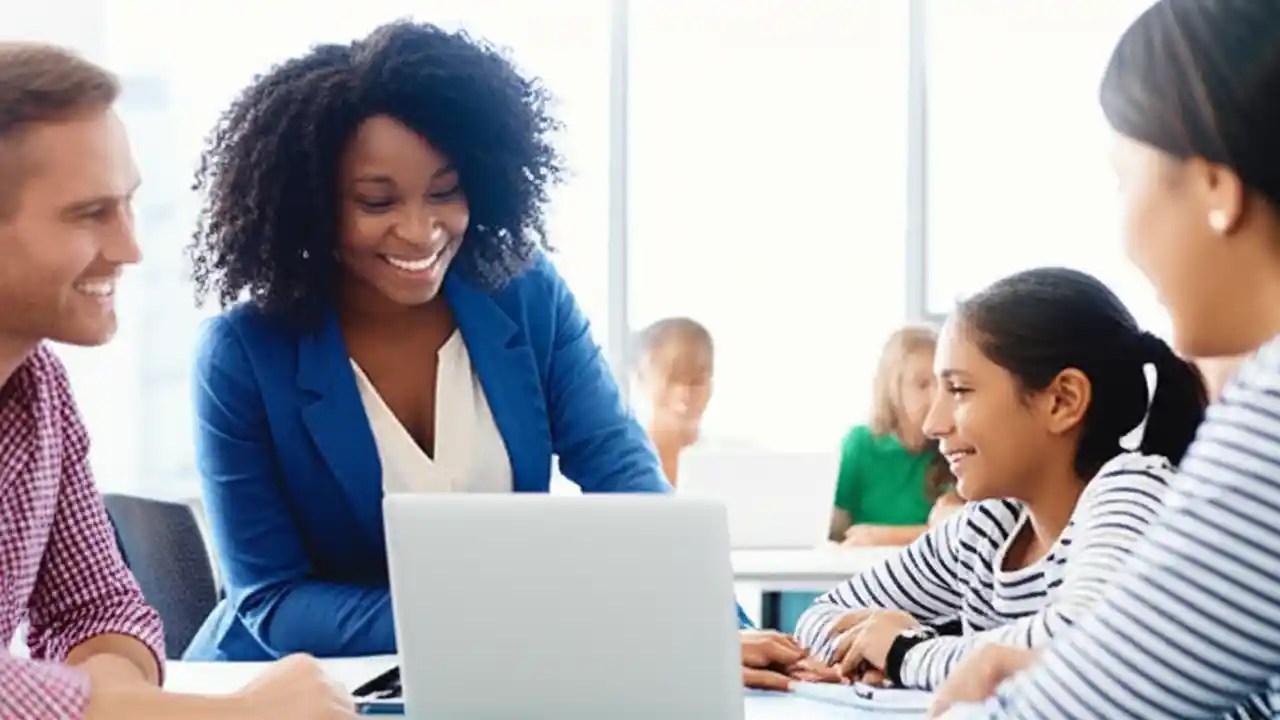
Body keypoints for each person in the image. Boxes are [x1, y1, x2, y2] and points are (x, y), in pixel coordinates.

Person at [181, 20, 674, 661]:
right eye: (376, 203)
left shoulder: (523, 294)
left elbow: (621, 471)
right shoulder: (242, 355)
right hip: (295, 685)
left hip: (496, 675)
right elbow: (271, 600)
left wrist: (706, 624)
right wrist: (514, 623)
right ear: (312, 206)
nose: (420, 231)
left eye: (444, 192)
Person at [930, 1, 1280, 717]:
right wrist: (1074, 671)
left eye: (1125, 179)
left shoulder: (1269, 417)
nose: (1122, 231)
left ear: (1215, 186)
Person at [0, 42, 354, 719]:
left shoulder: (38, 387)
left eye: (127, 205)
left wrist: (120, 704)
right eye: (89, 214)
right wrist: (233, 717)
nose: (130, 248)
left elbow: (95, 605)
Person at [792, 267, 1207, 692]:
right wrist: (894, 650)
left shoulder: (1132, 489)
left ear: (1062, 401)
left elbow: (1084, 642)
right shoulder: (989, 526)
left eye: (959, 390)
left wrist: (907, 653)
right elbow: (822, 615)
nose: (934, 423)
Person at [831, 325, 960, 547]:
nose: (935, 397)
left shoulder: (955, 446)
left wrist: (882, 537)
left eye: (943, 384)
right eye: (922, 384)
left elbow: (960, 531)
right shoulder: (861, 443)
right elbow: (836, 528)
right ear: (893, 390)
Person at [632, 317, 714, 486]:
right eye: (672, 379)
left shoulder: (734, 464)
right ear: (641, 378)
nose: (684, 393)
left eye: (696, 381)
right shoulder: (616, 463)